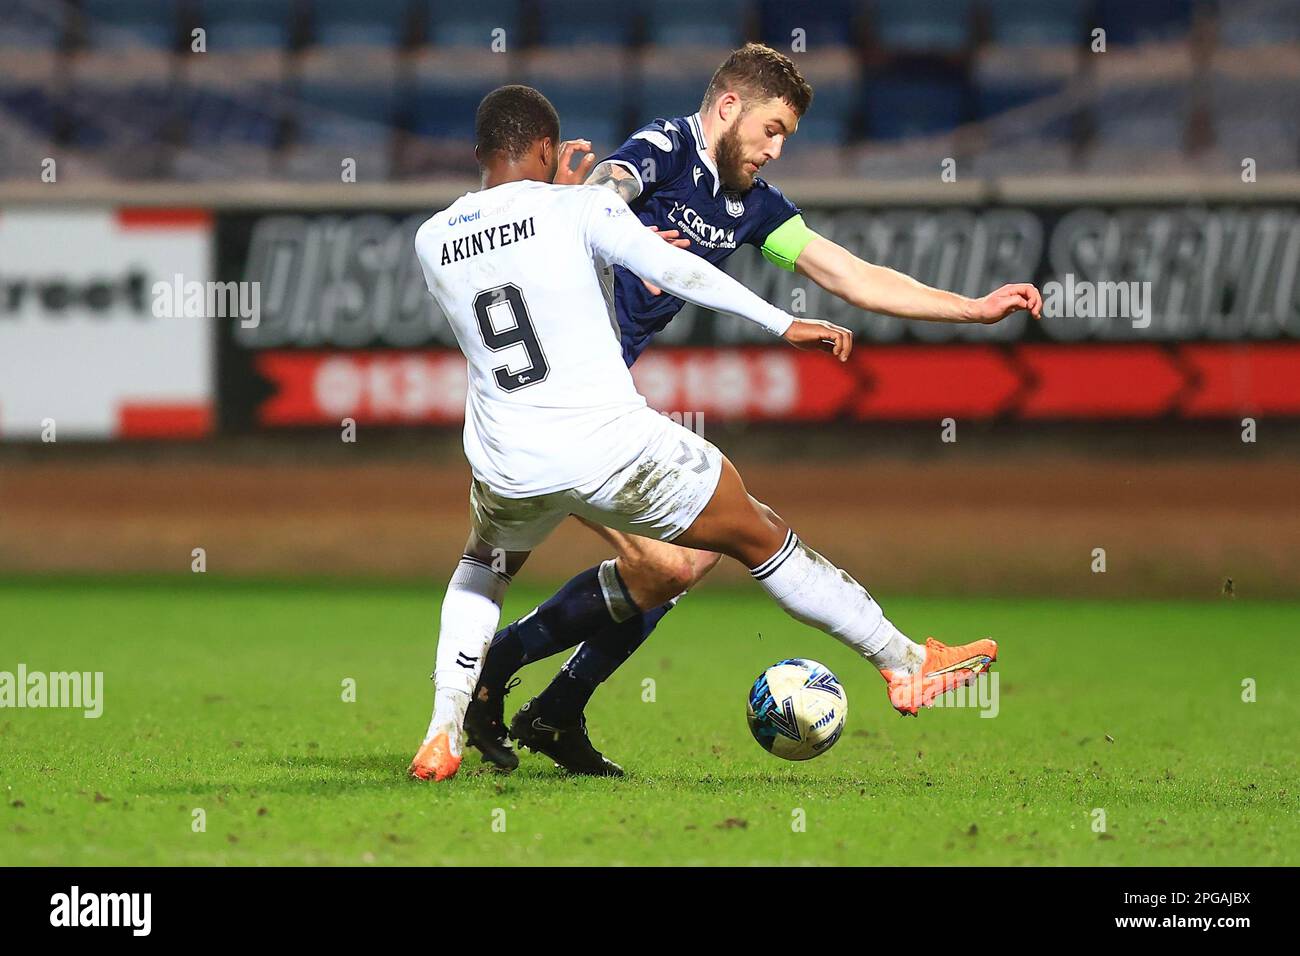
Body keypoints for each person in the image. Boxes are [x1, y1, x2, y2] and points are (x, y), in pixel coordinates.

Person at [463, 45, 1043, 775]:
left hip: (591, 410)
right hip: (560, 412)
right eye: (771, 130)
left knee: (681, 563)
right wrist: (602, 212)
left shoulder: (754, 208)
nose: (773, 150)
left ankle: (548, 708)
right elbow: (611, 183)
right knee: (697, 549)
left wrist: (971, 308)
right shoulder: (665, 150)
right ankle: (509, 678)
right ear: (728, 107)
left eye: (786, 140)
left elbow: (850, 274)